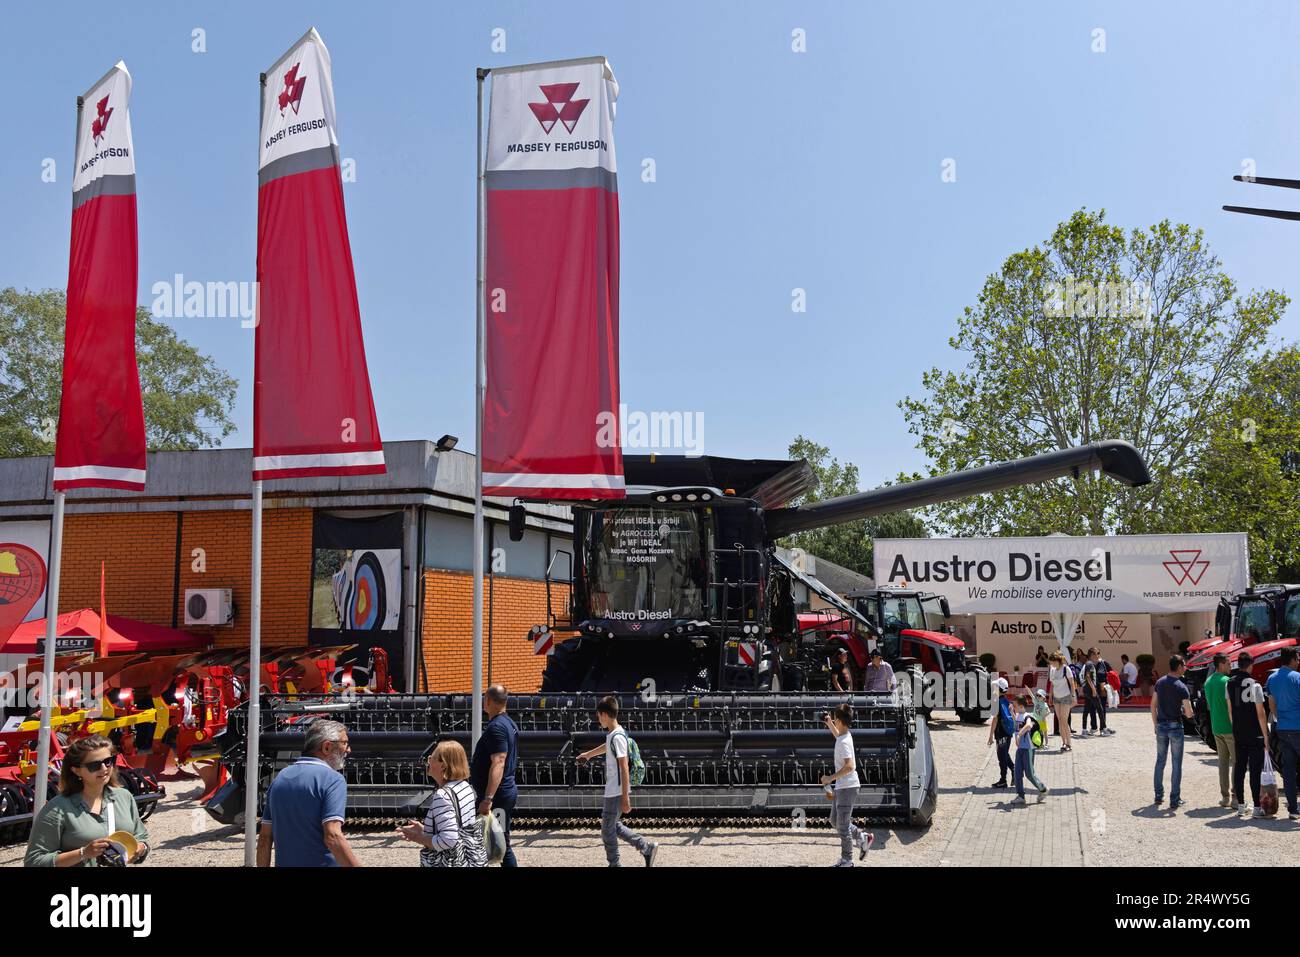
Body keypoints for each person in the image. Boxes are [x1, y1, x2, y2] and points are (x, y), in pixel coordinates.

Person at [24, 734, 150, 867]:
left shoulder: (124, 797)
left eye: (108, 761)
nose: (104, 768)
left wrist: (141, 848)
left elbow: (141, 836)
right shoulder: (57, 809)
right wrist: (83, 853)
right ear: (76, 771)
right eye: (94, 765)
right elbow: (34, 862)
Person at [257, 719, 359, 867]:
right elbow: (333, 835)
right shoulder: (333, 780)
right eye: (344, 743)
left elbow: (265, 839)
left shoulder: (280, 778)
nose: (348, 750)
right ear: (327, 747)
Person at [576, 696, 659, 866]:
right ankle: (645, 847)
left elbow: (624, 767)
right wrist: (588, 755)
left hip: (616, 791)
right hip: (613, 789)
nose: (598, 720)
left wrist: (625, 797)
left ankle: (615, 864)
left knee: (607, 831)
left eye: (598, 716)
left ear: (605, 714)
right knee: (614, 826)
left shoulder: (618, 737)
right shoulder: (613, 734)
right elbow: (607, 746)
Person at [398, 739, 484, 866]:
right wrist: (425, 829)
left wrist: (418, 838)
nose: (428, 762)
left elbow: (449, 840)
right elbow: (460, 829)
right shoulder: (465, 787)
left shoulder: (442, 795)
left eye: (431, 758)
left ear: (443, 765)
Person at [820, 702, 875, 865]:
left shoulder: (844, 741)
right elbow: (839, 736)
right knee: (835, 821)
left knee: (842, 827)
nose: (834, 720)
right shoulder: (845, 735)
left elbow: (850, 766)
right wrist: (829, 723)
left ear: (840, 720)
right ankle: (863, 837)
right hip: (843, 787)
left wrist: (830, 778)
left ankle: (847, 860)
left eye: (835, 718)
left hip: (848, 787)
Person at [470, 683, 519, 866]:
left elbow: (499, 762)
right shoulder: (509, 723)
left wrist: (488, 798)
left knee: (501, 845)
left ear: (488, 701)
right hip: (501, 793)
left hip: (497, 796)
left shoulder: (496, 727)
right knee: (486, 842)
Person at [1227, 652, 1270, 819]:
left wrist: (1235, 727)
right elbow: (1260, 713)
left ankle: (1241, 805)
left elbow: (1230, 709)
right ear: (1251, 665)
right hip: (1255, 733)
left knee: (1239, 768)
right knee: (1254, 770)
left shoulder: (1229, 683)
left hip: (1239, 732)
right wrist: (1265, 735)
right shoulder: (1255, 685)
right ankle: (1257, 807)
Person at [1152, 655, 1193, 810]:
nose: (1185, 667)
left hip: (1161, 725)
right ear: (1179, 667)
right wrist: (1189, 713)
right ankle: (1174, 799)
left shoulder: (1160, 683)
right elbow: (1188, 713)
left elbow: (1152, 705)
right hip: (1176, 726)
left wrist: (1155, 724)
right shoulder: (1182, 687)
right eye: (1184, 665)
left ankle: (1158, 795)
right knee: (1176, 764)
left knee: (1160, 761)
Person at [1265, 646, 1300, 820]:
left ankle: (1293, 810)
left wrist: (1281, 718)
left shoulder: (1271, 679)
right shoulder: (1297, 678)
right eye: (1298, 658)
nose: (1299, 662)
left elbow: (1271, 704)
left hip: (1282, 728)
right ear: (1292, 659)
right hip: (1298, 727)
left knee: (1288, 770)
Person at [1203, 653, 1235, 808]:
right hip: (1230, 727)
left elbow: (1209, 705)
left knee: (1222, 762)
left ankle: (1225, 797)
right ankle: (1236, 797)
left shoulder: (1208, 682)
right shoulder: (1227, 682)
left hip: (1216, 726)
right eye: (1228, 663)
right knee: (1236, 762)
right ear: (1221, 664)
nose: (1230, 666)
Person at [1011, 695, 1048, 803]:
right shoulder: (1018, 715)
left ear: (1021, 706)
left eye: (1015, 706)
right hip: (1020, 749)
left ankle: (1043, 789)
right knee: (1017, 772)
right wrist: (1013, 714)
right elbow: (1017, 723)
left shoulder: (1028, 716)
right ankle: (1021, 796)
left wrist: (1019, 735)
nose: (1014, 707)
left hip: (1028, 749)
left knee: (1029, 774)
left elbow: (1028, 726)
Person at [987, 677, 1014, 787]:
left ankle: (1003, 780)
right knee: (1005, 754)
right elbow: (1013, 716)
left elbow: (995, 720)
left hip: (1001, 733)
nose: (994, 687)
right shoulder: (1008, 701)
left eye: (996, 686)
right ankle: (1014, 770)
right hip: (1008, 732)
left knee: (1001, 757)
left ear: (999, 689)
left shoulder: (996, 702)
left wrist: (990, 737)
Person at [1047, 652, 1076, 752]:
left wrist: (1073, 696)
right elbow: (1052, 684)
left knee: (1064, 720)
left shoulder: (1065, 668)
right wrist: (1050, 696)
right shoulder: (1052, 670)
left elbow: (1072, 684)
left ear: (1057, 661)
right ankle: (1063, 742)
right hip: (1056, 697)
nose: (1051, 664)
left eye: (1052, 662)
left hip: (1065, 696)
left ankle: (1069, 743)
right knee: (1060, 720)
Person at [1081, 648, 1112, 736]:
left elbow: (1110, 672)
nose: (1098, 655)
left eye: (1098, 653)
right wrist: (1094, 689)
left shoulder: (1102, 663)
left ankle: (1086, 729)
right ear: (1092, 655)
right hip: (1092, 690)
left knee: (1092, 709)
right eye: (1096, 653)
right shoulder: (1089, 664)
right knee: (1097, 709)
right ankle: (1100, 728)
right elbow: (1087, 676)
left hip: (1095, 689)